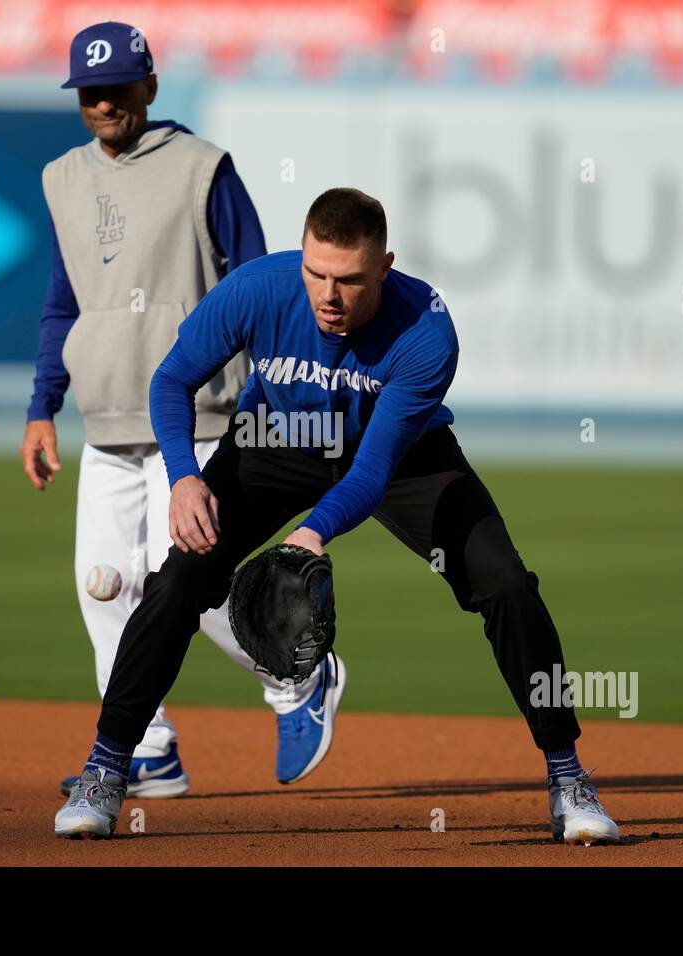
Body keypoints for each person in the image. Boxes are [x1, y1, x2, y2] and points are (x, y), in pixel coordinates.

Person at [55, 188, 621, 846]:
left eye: (349, 280)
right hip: (275, 440)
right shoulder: (258, 288)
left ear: (384, 267)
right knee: (178, 581)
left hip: (405, 457)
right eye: (316, 273)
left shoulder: (425, 330)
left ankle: (568, 777)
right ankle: (106, 770)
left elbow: (371, 474)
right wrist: (183, 477)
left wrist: (311, 533)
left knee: (507, 584)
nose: (328, 294)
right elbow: (171, 379)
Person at [22, 21, 345, 801]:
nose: (103, 102)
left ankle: (298, 672)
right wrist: (42, 406)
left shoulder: (203, 168)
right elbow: (65, 302)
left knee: (187, 587)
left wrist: (278, 390)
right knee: (103, 583)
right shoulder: (62, 177)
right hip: (104, 418)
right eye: (89, 91)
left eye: (118, 87)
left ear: (150, 87)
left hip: (196, 413)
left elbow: (263, 281)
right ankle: (150, 750)